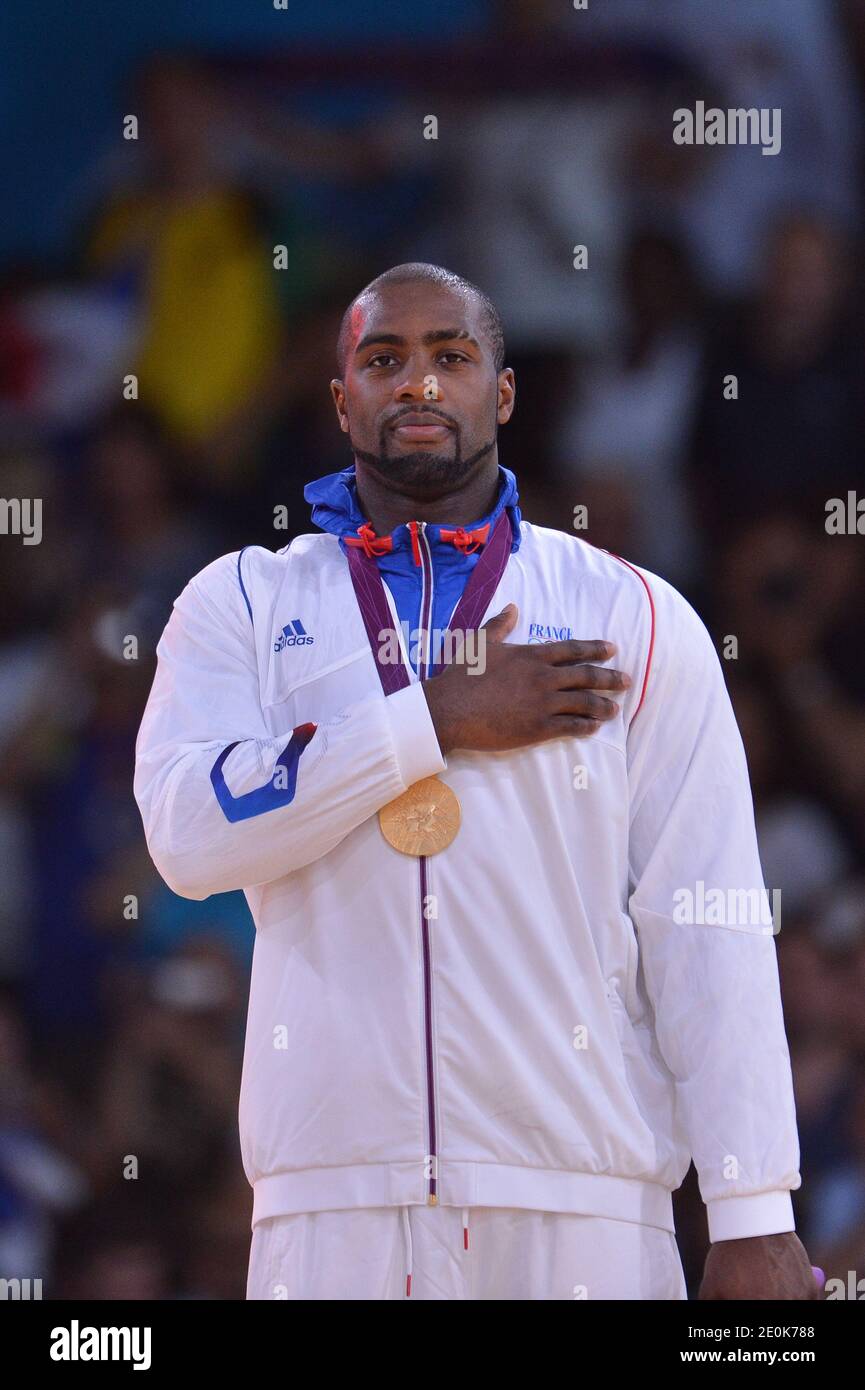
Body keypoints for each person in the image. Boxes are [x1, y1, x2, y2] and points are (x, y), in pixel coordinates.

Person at [134, 262, 817, 1301]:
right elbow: (189, 836)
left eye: (450, 357)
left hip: (584, 1192)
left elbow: (705, 918)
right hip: (334, 1200)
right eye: (383, 359)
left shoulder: (630, 612)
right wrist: (432, 718)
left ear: (500, 394)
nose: (417, 384)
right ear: (340, 400)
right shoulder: (242, 605)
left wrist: (752, 1208)